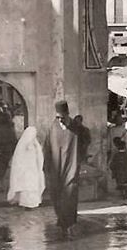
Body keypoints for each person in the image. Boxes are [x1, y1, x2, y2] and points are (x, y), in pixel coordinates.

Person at [43, 100, 81, 237]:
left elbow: (85, 141)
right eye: (57, 117)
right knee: (56, 195)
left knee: (70, 195)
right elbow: (47, 147)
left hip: (71, 168)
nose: (60, 120)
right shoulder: (53, 128)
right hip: (55, 169)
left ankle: (69, 224)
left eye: (62, 117)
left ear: (67, 115)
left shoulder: (76, 128)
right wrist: (45, 166)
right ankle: (62, 221)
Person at [7, 126, 45, 209]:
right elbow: (18, 159)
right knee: (26, 187)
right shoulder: (22, 145)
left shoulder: (35, 144)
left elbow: (39, 157)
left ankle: (32, 203)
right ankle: (25, 204)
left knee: (32, 186)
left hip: (33, 169)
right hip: (26, 170)